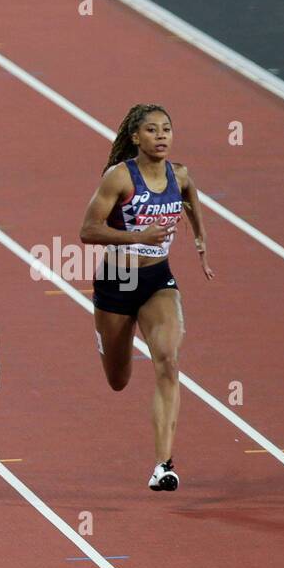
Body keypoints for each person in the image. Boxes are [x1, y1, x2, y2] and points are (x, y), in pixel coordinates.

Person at [79, 103, 213, 491]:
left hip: (158, 279)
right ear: (136, 137)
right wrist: (137, 237)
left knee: (169, 361)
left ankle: (163, 465)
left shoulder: (180, 174)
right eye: (152, 130)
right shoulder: (119, 178)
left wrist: (201, 238)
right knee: (118, 380)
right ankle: (107, 339)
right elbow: (87, 230)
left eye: (167, 130)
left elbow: (191, 198)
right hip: (116, 279)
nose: (161, 137)